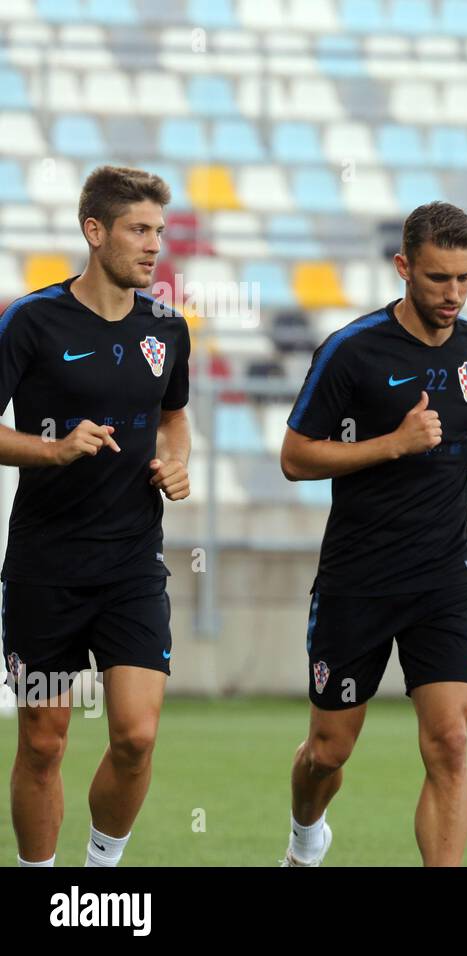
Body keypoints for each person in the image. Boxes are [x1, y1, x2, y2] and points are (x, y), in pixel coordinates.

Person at [279, 202, 467, 866]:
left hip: (443, 575)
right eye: (439, 278)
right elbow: (296, 457)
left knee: (450, 741)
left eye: (465, 279)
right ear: (404, 267)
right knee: (329, 751)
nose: (453, 294)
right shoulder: (352, 351)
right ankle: (305, 836)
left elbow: (446, 446)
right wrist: (391, 443)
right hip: (357, 578)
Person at [2, 166, 191, 867]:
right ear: (95, 231)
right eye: (139, 230)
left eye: (159, 232)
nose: (153, 246)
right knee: (44, 740)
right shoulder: (32, 321)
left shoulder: (167, 328)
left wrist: (176, 461)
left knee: (136, 735)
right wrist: (50, 450)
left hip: (131, 567)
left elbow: (174, 416)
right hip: (45, 569)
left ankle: (100, 873)